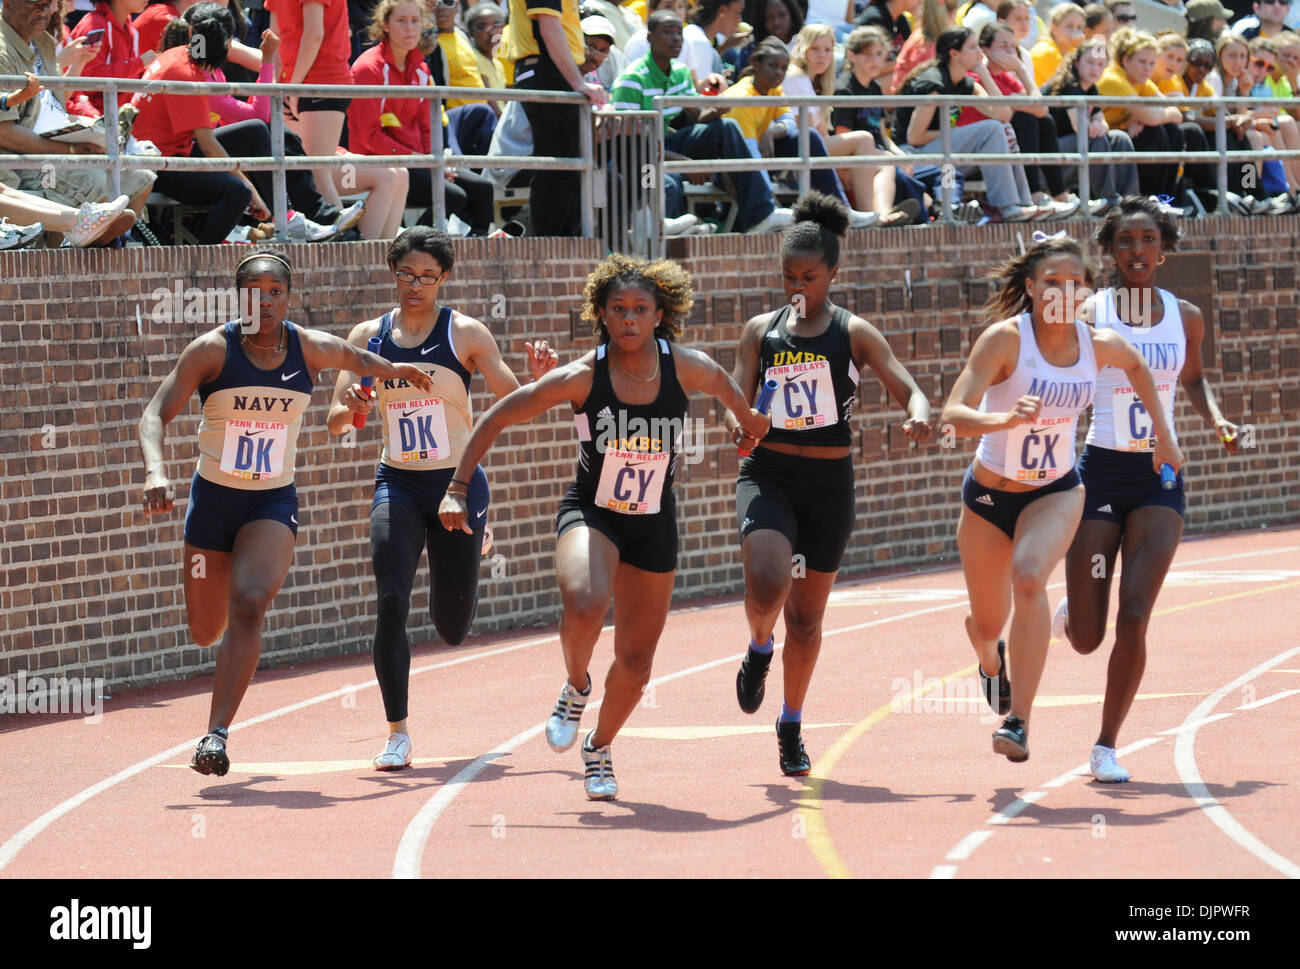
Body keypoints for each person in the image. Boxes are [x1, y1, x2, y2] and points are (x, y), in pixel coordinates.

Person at [437, 253, 771, 799]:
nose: (630, 319)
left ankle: (599, 746)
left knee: (637, 663)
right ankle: (576, 683)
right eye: (618, 309)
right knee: (586, 602)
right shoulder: (582, 377)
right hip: (592, 511)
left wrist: (747, 425)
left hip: (653, 521)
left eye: (641, 308)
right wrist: (455, 487)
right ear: (602, 314)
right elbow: (498, 415)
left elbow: (735, 404)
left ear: (660, 314)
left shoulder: (687, 366)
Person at [138, 251, 436, 777]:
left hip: (271, 502)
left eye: (276, 290)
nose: (266, 300)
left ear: (289, 297)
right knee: (206, 629)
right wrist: (154, 472)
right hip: (213, 503)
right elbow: (154, 413)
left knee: (250, 604)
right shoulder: (212, 351)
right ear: (240, 298)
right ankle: (223, 638)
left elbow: (359, 359)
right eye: (255, 291)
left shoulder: (309, 347)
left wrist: (395, 371)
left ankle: (216, 734)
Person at [938, 231, 1181, 763]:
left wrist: (1163, 435)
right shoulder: (1005, 340)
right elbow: (953, 416)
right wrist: (1002, 419)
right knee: (986, 620)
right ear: (1031, 287)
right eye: (1052, 282)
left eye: (1076, 283)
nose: (1064, 291)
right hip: (989, 498)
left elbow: (1139, 369)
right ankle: (987, 657)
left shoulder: (1099, 345)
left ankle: (1019, 721)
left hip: (1057, 491)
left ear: (1087, 293)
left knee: (1029, 577)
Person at [326, 227, 556, 771]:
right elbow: (337, 423)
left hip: (457, 483)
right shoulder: (367, 337)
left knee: (452, 629)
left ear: (444, 279)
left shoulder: (466, 334)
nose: (416, 286)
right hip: (398, 482)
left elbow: (514, 403)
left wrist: (539, 380)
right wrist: (357, 405)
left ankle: (476, 545)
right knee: (390, 600)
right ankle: (397, 732)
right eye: (407, 274)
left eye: (428, 277)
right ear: (392, 272)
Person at [728, 192, 933, 775]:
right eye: (788, 276)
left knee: (808, 620)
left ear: (833, 275)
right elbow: (736, 400)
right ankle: (758, 646)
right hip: (769, 474)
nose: (798, 287)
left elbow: (906, 385)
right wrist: (739, 425)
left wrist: (918, 413)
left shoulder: (854, 332)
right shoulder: (759, 332)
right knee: (768, 585)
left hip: (828, 484)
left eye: (810, 277)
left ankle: (790, 721)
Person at [1050, 197, 1238, 782]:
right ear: (1110, 249)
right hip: (1101, 470)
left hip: (1160, 478)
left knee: (1134, 616)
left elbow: (1195, 379)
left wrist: (1215, 419)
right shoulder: (1090, 308)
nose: (1137, 250)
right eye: (1126, 241)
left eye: (1148, 240)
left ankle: (1105, 746)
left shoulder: (1186, 317)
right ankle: (1075, 610)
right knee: (1086, 637)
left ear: (1164, 247)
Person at [610, 9, 794, 233]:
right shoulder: (632, 79)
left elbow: (699, 118)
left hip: (664, 144)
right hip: (636, 153)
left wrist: (716, 111)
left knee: (726, 127)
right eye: (668, 32)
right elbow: (629, 140)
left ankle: (760, 215)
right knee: (659, 174)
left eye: (679, 33)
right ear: (650, 38)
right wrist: (684, 162)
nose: (676, 38)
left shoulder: (680, 72)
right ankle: (658, 224)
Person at [0, 0, 156, 235]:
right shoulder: (3, 48)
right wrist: (70, 150)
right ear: (8, 5)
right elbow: (5, 133)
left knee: (141, 176)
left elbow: (56, 101)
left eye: (49, 4)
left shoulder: (42, 40)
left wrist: (79, 62)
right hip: (22, 158)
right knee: (101, 184)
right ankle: (85, 251)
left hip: (53, 142)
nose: (47, 11)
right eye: (37, 4)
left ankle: (110, 251)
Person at [349, 0, 492, 234]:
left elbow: (427, 128)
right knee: (453, 196)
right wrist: (418, 159)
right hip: (380, 161)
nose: (410, 28)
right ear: (385, 25)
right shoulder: (369, 67)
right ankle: (411, 244)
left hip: (417, 160)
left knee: (482, 189)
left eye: (415, 21)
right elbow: (368, 136)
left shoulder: (421, 69)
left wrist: (434, 161)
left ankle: (474, 251)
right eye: (401, 21)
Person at [894, 25, 1042, 222]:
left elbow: (1003, 114)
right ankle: (1009, 206)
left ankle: (1021, 204)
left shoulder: (965, 82)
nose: (980, 52)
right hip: (914, 154)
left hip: (941, 151)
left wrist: (982, 71)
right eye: (973, 47)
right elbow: (914, 137)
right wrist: (956, 132)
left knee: (1002, 127)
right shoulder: (934, 84)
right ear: (954, 54)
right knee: (992, 129)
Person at [725, 36, 878, 227]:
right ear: (756, 63)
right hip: (733, 170)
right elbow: (747, 152)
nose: (779, 72)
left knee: (808, 136)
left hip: (761, 156)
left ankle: (840, 211)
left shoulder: (772, 88)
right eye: (773, 66)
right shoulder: (742, 97)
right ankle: (767, 211)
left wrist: (772, 131)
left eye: (783, 67)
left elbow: (788, 120)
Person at [502, 0, 608, 237]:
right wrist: (579, 82)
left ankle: (564, 247)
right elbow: (549, 28)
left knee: (569, 168)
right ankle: (547, 248)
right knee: (558, 167)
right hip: (546, 73)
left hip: (556, 74)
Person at [975, 21, 1081, 216]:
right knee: (1026, 119)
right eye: (1003, 46)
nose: (1009, 51)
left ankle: (1059, 193)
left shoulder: (1006, 76)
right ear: (985, 50)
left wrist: (1022, 70)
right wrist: (1022, 102)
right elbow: (1016, 110)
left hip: (1010, 138)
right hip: (988, 141)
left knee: (1045, 121)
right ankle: (1034, 193)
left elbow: (1042, 108)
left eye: (1012, 46)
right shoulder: (979, 74)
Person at [832, 25, 930, 223]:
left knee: (926, 169)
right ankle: (923, 216)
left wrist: (899, 155)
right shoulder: (845, 89)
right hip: (860, 159)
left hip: (879, 154)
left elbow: (882, 134)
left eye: (879, 55)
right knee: (900, 176)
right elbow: (844, 136)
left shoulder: (875, 87)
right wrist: (891, 158)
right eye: (868, 55)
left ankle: (927, 209)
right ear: (852, 56)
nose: (875, 61)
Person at [267, 0, 355, 208]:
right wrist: (286, 88)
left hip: (319, 81)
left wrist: (288, 87)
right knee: (305, 176)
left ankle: (345, 238)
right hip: (298, 86)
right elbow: (276, 40)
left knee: (315, 175)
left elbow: (313, 34)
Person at [1043, 35, 1139, 207]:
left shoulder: (1091, 87)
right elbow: (1080, 127)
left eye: (1101, 64)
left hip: (1077, 150)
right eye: (1090, 62)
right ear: (1077, 62)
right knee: (1097, 138)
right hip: (1050, 160)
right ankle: (1108, 200)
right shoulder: (1069, 85)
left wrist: (1098, 125)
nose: (1095, 68)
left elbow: (1103, 123)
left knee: (1119, 138)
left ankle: (1130, 200)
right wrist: (1096, 127)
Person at [1096, 28, 1188, 205]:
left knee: (1173, 130)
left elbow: (1176, 113)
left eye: (1152, 63)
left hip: (1125, 137)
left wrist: (1139, 119)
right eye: (1142, 62)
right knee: (1155, 132)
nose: (1148, 68)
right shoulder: (1113, 79)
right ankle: (1146, 201)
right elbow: (1154, 118)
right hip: (1104, 141)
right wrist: (1145, 117)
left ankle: (1164, 200)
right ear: (1125, 60)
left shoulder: (1142, 80)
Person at [1029, 1, 1084, 86]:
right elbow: (1069, 85)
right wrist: (1079, 50)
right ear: (1054, 28)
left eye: (1079, 27)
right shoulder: (1046, 51)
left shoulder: (1070, 50)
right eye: (1069, 26)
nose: (1075, 31)